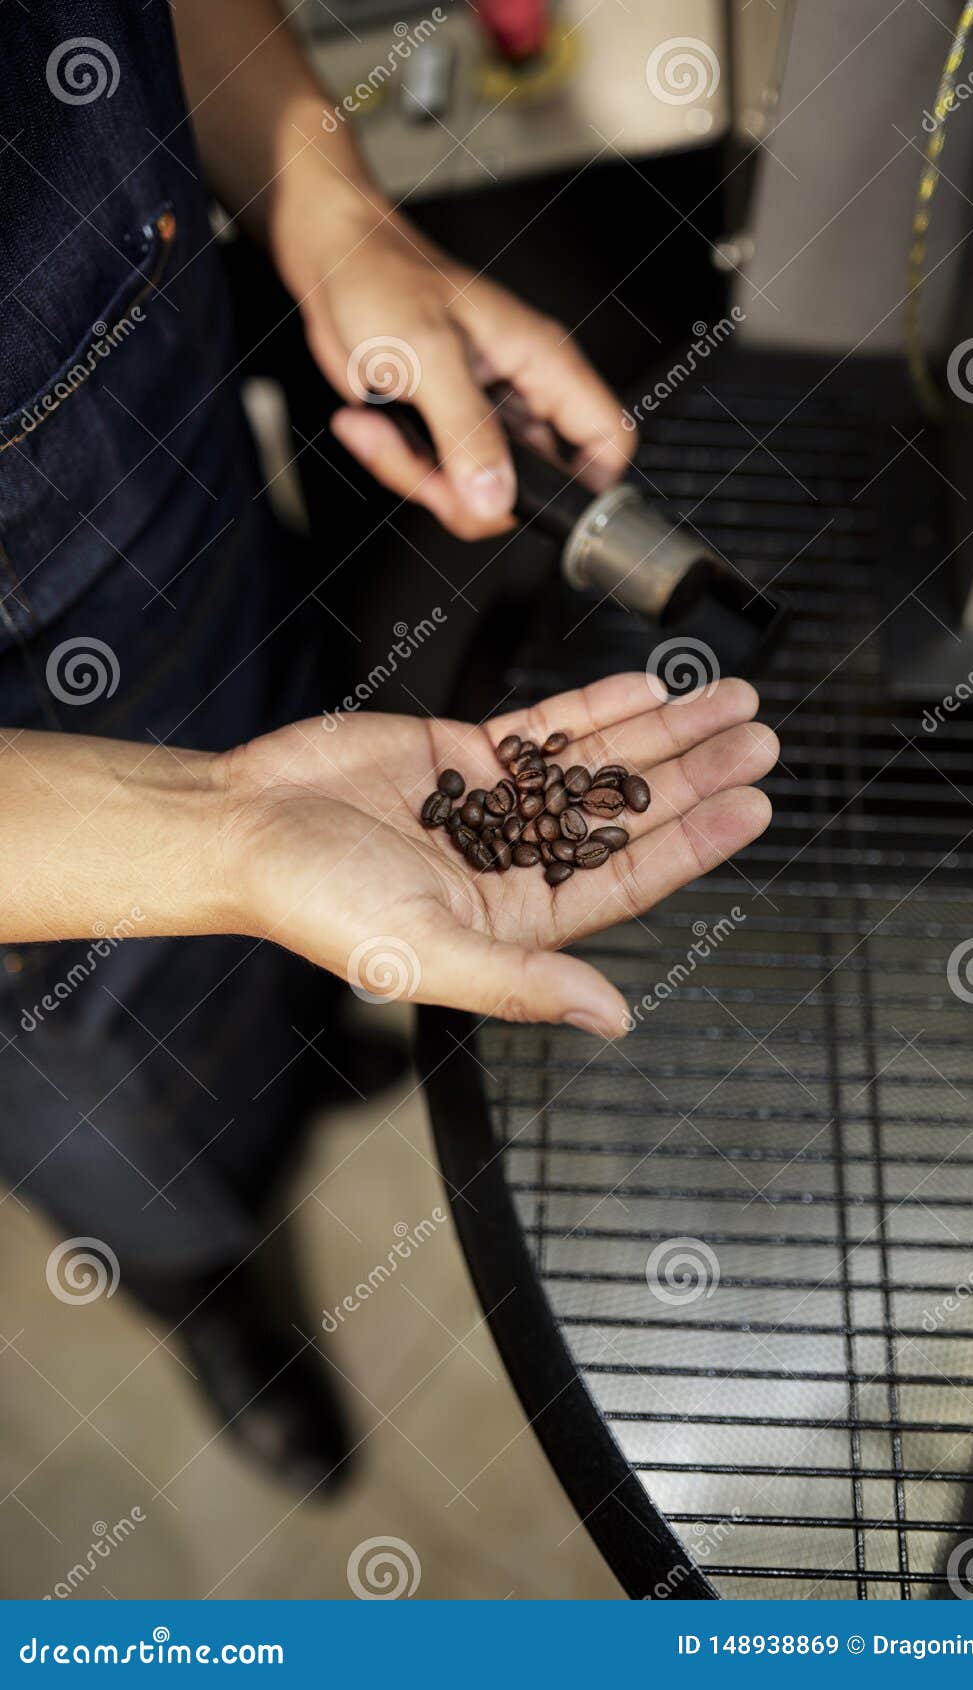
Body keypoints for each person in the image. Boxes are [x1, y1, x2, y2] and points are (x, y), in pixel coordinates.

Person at [0, 1, 777, 1495]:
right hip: (38, 874)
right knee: (146, 1126)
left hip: (179, 508)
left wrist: (322, 194)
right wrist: (221, 836)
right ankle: (215, 1282)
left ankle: (293, 1053)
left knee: (291, 950)